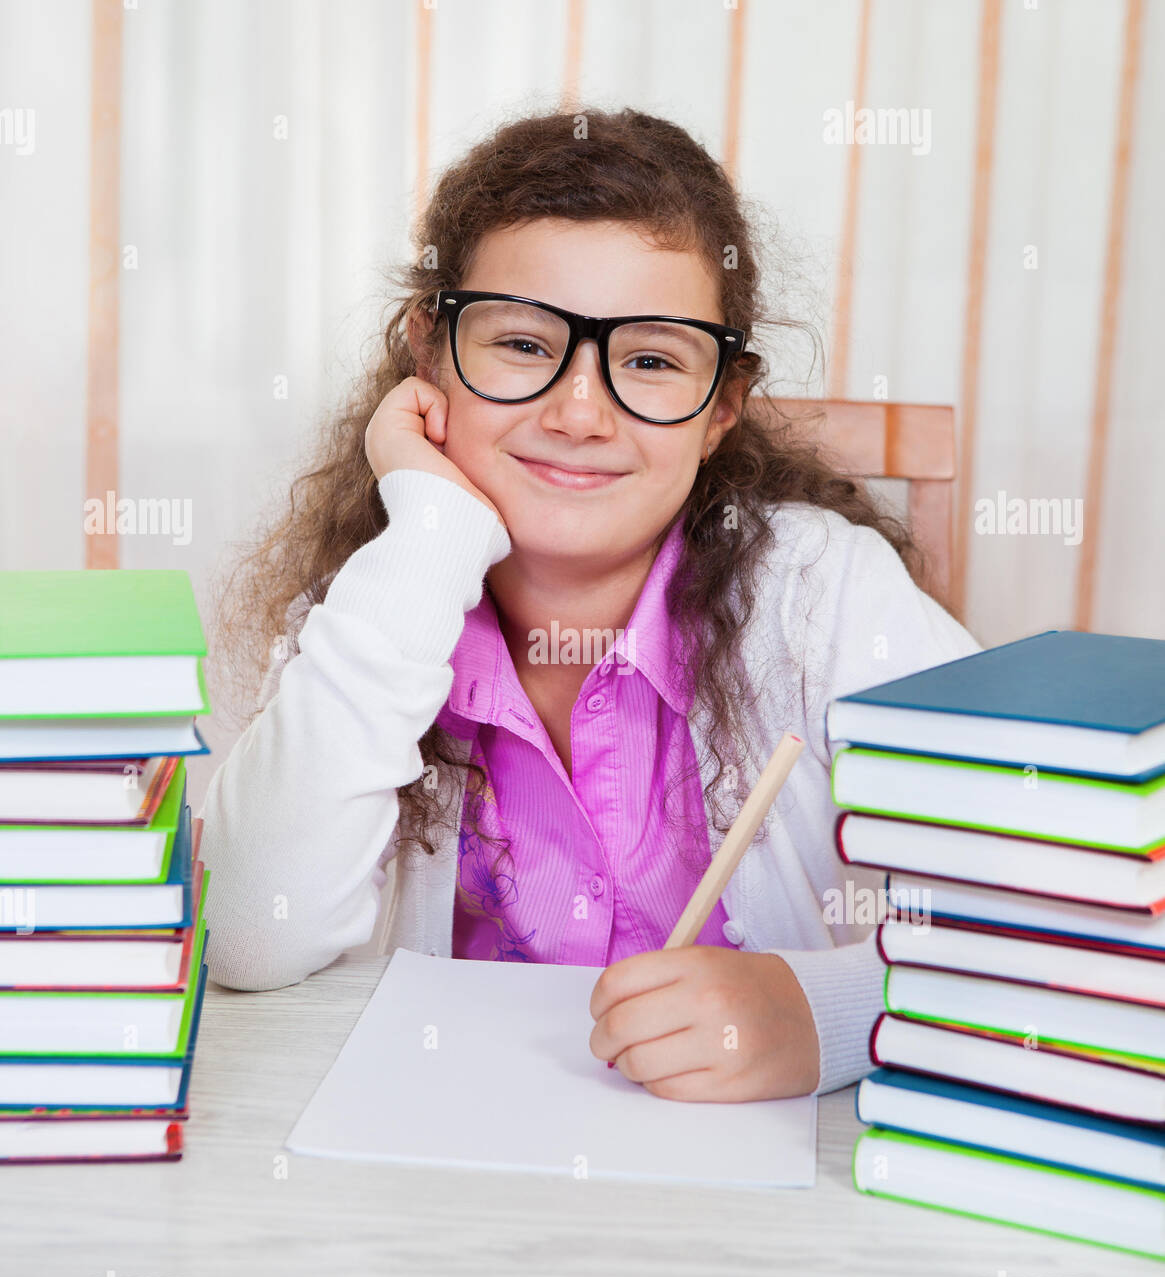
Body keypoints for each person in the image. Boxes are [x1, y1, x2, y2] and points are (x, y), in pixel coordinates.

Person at [202, 106, 980, 1102]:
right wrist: (431, 530)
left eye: (652, 360)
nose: (580, 410)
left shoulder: (823, 595)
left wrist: (825, 1011)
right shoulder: (377, 610)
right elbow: (249, 936)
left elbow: (1060, 922)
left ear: (721, 408)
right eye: (524, 344)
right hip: (430, 1189)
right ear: (426, 353)